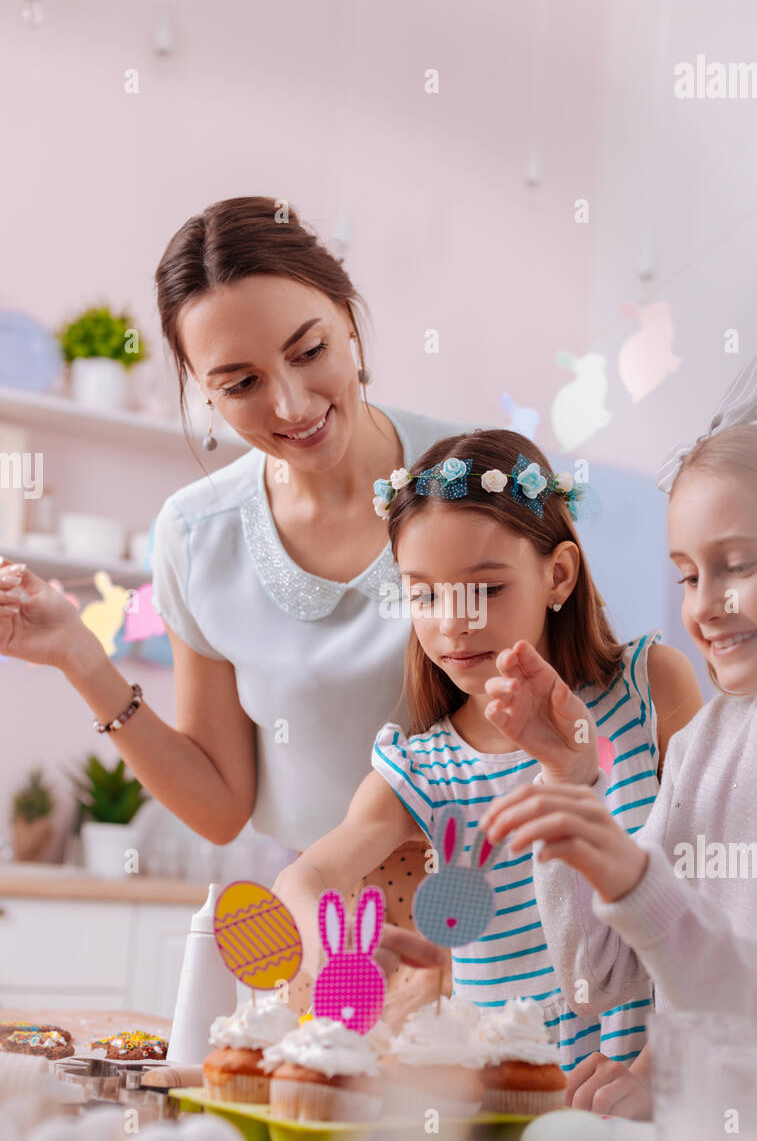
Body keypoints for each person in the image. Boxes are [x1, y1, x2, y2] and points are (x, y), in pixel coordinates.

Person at [0, 195, 454, 1017]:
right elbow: (219, 805)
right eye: (240, 383)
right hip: (323, 936)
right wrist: (80, 657)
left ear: (348, 320)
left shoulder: (472, 478)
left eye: (308, 349)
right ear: (204, 395)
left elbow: (550, 714)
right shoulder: (198, 536)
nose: (289, 404)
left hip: (488, 919)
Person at [481, 354, 757, 1131]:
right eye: (688, 575)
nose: (706, 607)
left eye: (738, 565)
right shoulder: (708, 744)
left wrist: (633, 877)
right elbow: (605, 977)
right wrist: (568, 780)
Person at [273, 427, 702, 1066]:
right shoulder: (425, 770)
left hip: (649, 1091)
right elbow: (302, 876)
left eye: (486, 588)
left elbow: (716, 892)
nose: (451, 622)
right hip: (504, 1109)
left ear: (557, 575)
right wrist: (331, 946)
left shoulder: (649, 688)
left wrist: (662, 1065)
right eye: (424, 592)